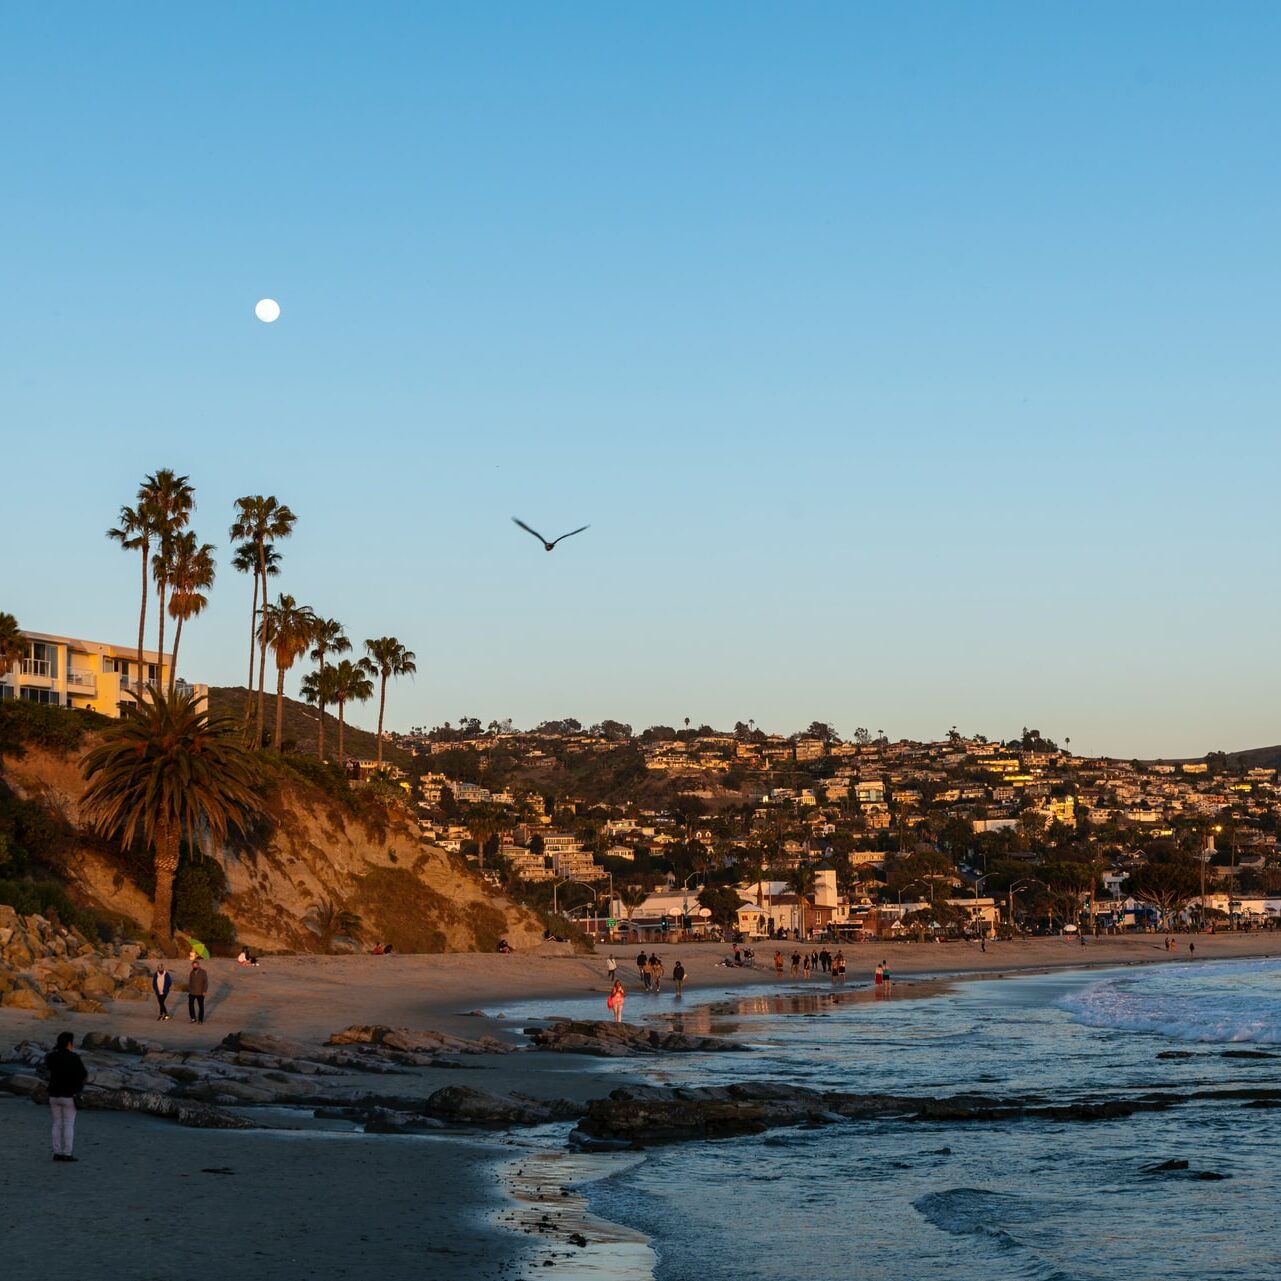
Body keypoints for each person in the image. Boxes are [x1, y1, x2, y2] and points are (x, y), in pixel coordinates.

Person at [45, 1031, 88, 1163]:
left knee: (57, 1124)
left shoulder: (51, 1056)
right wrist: (77, 1088)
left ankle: (57, 1152)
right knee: (69, 1124)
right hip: (69, 1095)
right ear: (69, 1043)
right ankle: (67, 1153)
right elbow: (83, 1074)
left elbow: (48, 1069)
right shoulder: (74, 1057)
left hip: (53, 1095)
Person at [187, 959, 209, 1024]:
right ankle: (193, 1018)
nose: (194, 967)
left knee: (201, 1006)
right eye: (193, 966)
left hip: (200, 992)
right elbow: (190, 982)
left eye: (196, 965)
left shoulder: (203, 972)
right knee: (190, 1005)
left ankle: (200, 1020)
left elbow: (205, 982)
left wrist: (204, 991)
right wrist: (189, 990)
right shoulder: (191, 972)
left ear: (198, 965)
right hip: (192, 992)